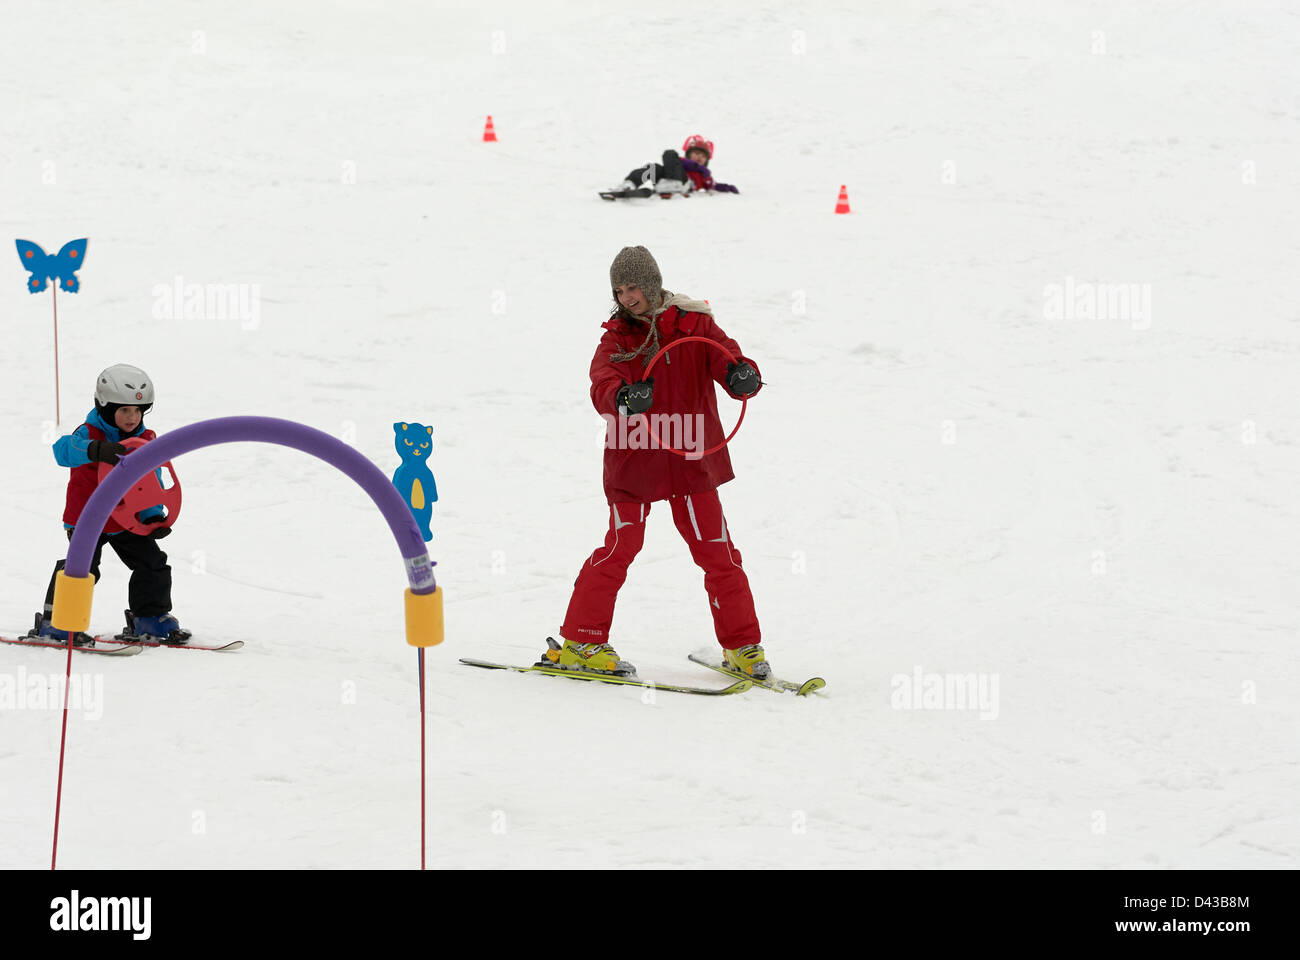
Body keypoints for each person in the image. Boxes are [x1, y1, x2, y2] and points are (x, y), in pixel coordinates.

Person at [544, 246, 767, 678]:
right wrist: (622, 398)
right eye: (619, 290)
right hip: (636, 459)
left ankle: (743, 646)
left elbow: (727, 357)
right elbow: (602, 382)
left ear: (651, 283)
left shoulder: (694, 323)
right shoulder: (617, 338)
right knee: (620, 546)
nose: (627, 297)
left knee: (718, 552)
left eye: (633, 287)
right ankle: (582, 642)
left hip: (690, 458)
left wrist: (742, 375)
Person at [32, 364, 187, 645]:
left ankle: (149, 618)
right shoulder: (89, 432)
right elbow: (62, 451)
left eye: (138, 411)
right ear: (105, 407)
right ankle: (56, 622)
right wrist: (94, 449)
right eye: (124, 410)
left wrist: (152, 518)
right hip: (88, 518)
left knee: (152, 563)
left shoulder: (145, 440)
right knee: (82, 568)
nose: (132, 417)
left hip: (126, 520)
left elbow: (148, 483)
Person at [609, 134, 740, 196]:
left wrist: (728, 187)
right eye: (696, 153)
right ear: (688, 155)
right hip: (665, 179)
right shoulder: (682, 162)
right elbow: (679, 162)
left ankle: (674, 184)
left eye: (703, 156)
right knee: (653, 167)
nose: (699, 157)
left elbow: (713, 185)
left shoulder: (704, 174)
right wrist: (694, 165)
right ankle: (629, 184)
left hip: (683, 183)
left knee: (670, 154)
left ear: (707, 160)